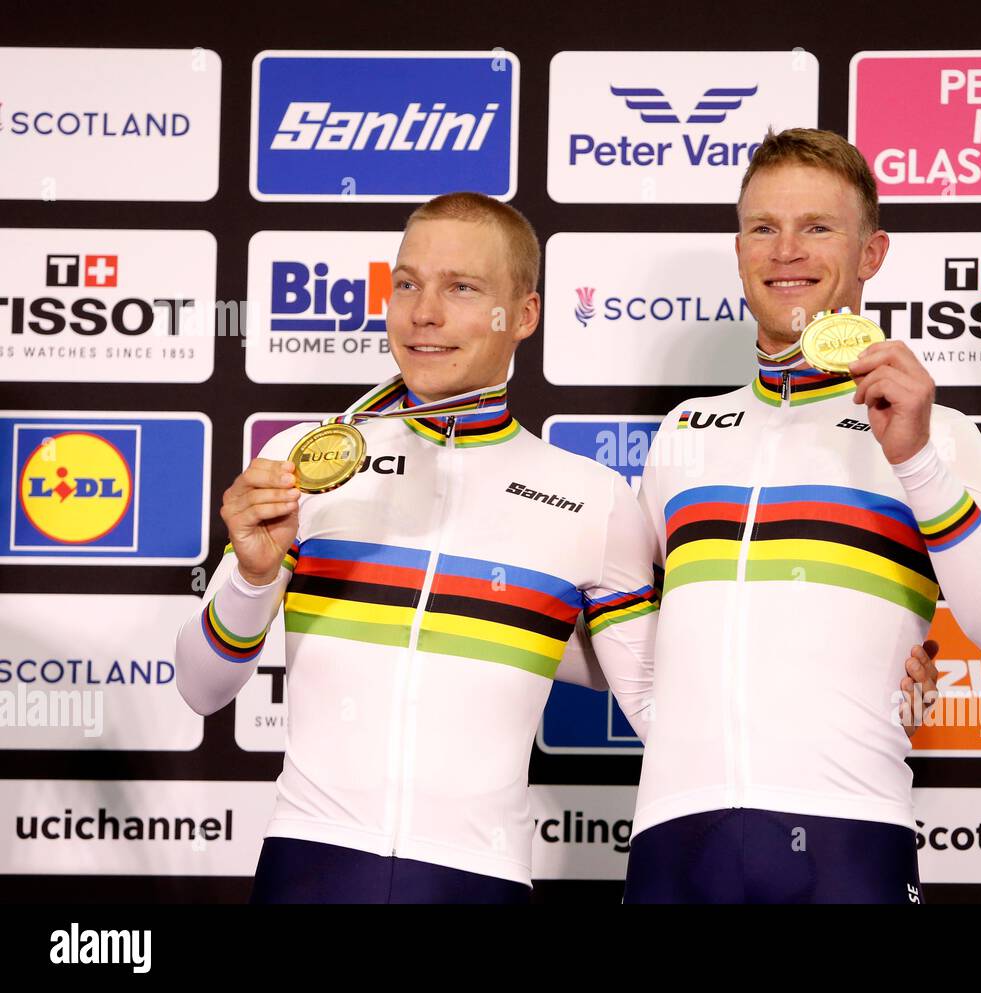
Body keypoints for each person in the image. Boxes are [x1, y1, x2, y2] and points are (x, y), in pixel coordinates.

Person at [175, 193, 662, 903]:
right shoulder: (301, 463)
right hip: (309, 867)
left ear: (523, 315)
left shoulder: (592, 497)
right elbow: (200, 687)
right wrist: (252, 576)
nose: (422, 313)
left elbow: (659, 708)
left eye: (461, 287)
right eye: (406, 283)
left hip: (479, 880)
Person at [620, 128, 981, 903]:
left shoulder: (939, 432)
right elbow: (621, 619)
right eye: (765, 227)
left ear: (872, 254)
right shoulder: (685, 432)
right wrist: (675, 720)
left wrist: (916, 461)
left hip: (849, 839)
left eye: (818, 227)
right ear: (740, 248)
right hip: (676, 841)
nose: (787, 251)